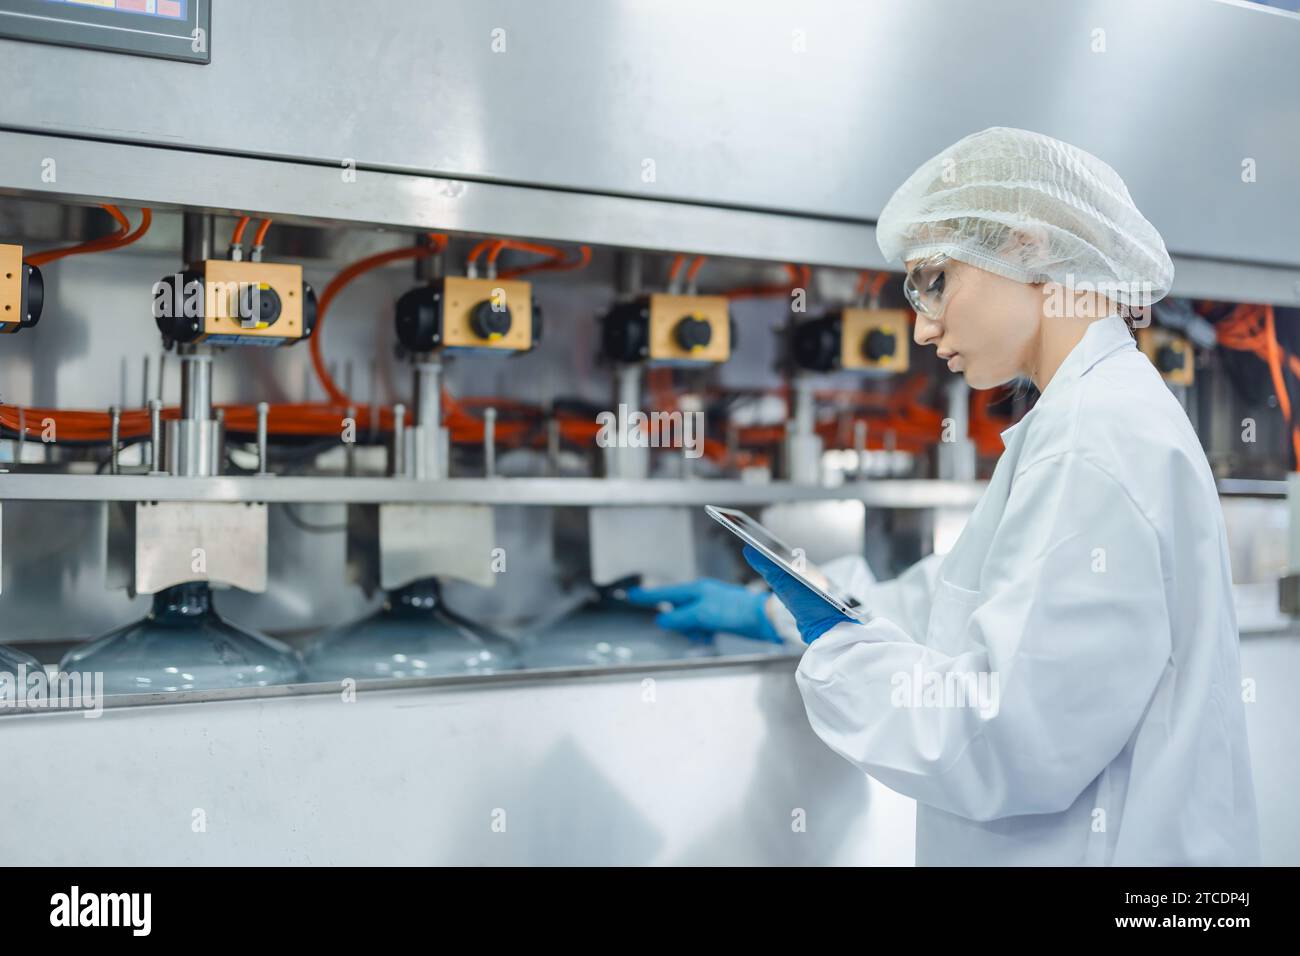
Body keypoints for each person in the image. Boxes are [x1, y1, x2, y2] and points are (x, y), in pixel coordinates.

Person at [627, 127, 1259, 866]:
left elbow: (1009, 739)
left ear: (1028, 248)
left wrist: (840, 653)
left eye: (934, 281)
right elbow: (969, 602)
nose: (922, 326)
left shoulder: (1097, 437)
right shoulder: (1087, 415)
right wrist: (797, 608)